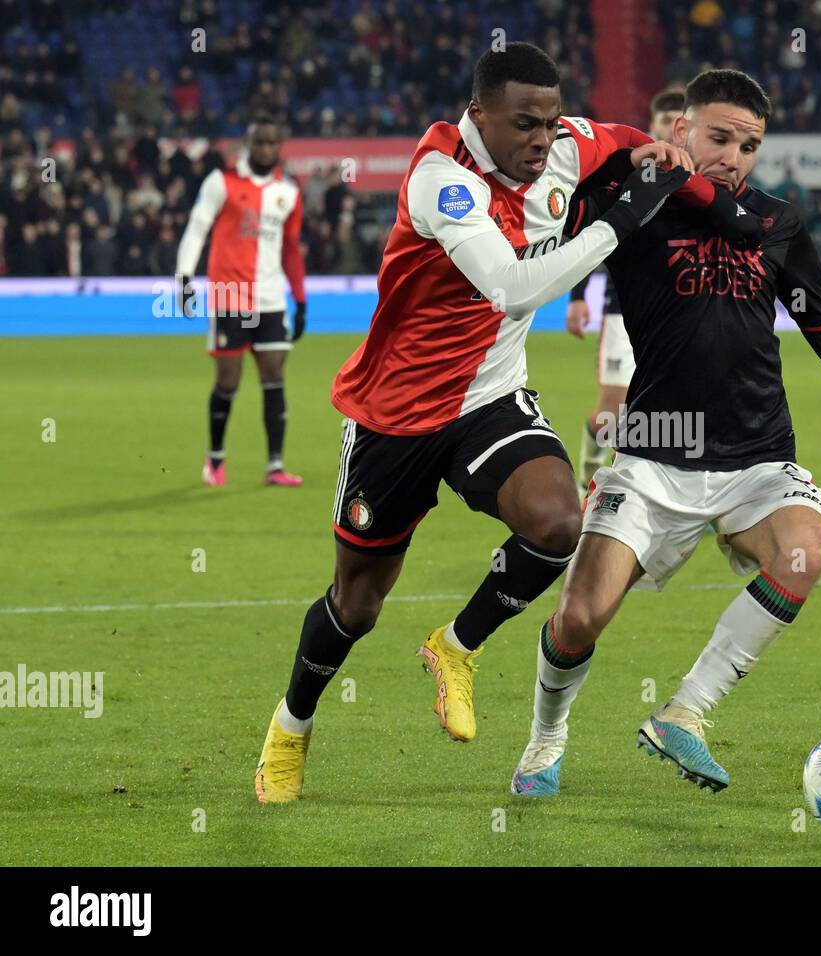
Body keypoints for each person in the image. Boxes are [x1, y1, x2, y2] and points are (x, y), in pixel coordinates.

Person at [252, 43, 761, 803]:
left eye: (551, 122)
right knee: (356, 604)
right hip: (397, 417)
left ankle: (455, 647)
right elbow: (514, 289)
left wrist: (676, 168)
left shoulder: (565, 143)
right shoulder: (440, 180)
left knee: (561, 522)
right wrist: (622, 219)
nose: (541, 140)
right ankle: (290, 729)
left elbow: (626, 142)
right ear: (478, 114)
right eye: (524, 124)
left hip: (490, 401)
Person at [508, 69, 821, 797]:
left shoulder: (777, 221)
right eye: (720, 137)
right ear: (680, 131)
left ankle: (685, 714)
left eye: (749, 144)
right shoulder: (638, 206)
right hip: (656, 452)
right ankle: (546, 738)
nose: (733, 156)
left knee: (803, 552)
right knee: (580, 617)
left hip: (756, 453)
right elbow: (555, 225)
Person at [176, 114, 307, 488]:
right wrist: (184, 277)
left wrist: (300, 299)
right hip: (229, 295)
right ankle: (216, 458)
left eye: (272, 142)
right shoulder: (221, 182)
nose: (266, 148)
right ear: (249, 143)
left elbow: (291, 250)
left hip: (270, 298)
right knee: (228, 380)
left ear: (280, 146)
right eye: (259, 141)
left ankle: (275, 466)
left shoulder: (289, 192)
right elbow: (198, 226)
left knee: (274, 376)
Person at [568, 88, 685, 488]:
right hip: (624, 309)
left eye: (678, 120)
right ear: (651, 126)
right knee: (613, 411)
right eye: (663, 120)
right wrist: (579, 297)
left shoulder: (697, 178)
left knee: (675, 407)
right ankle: (587, 475)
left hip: (679, 309)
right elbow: (593, 233)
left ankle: (671, 488)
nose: (670, 128)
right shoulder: (634, 174)